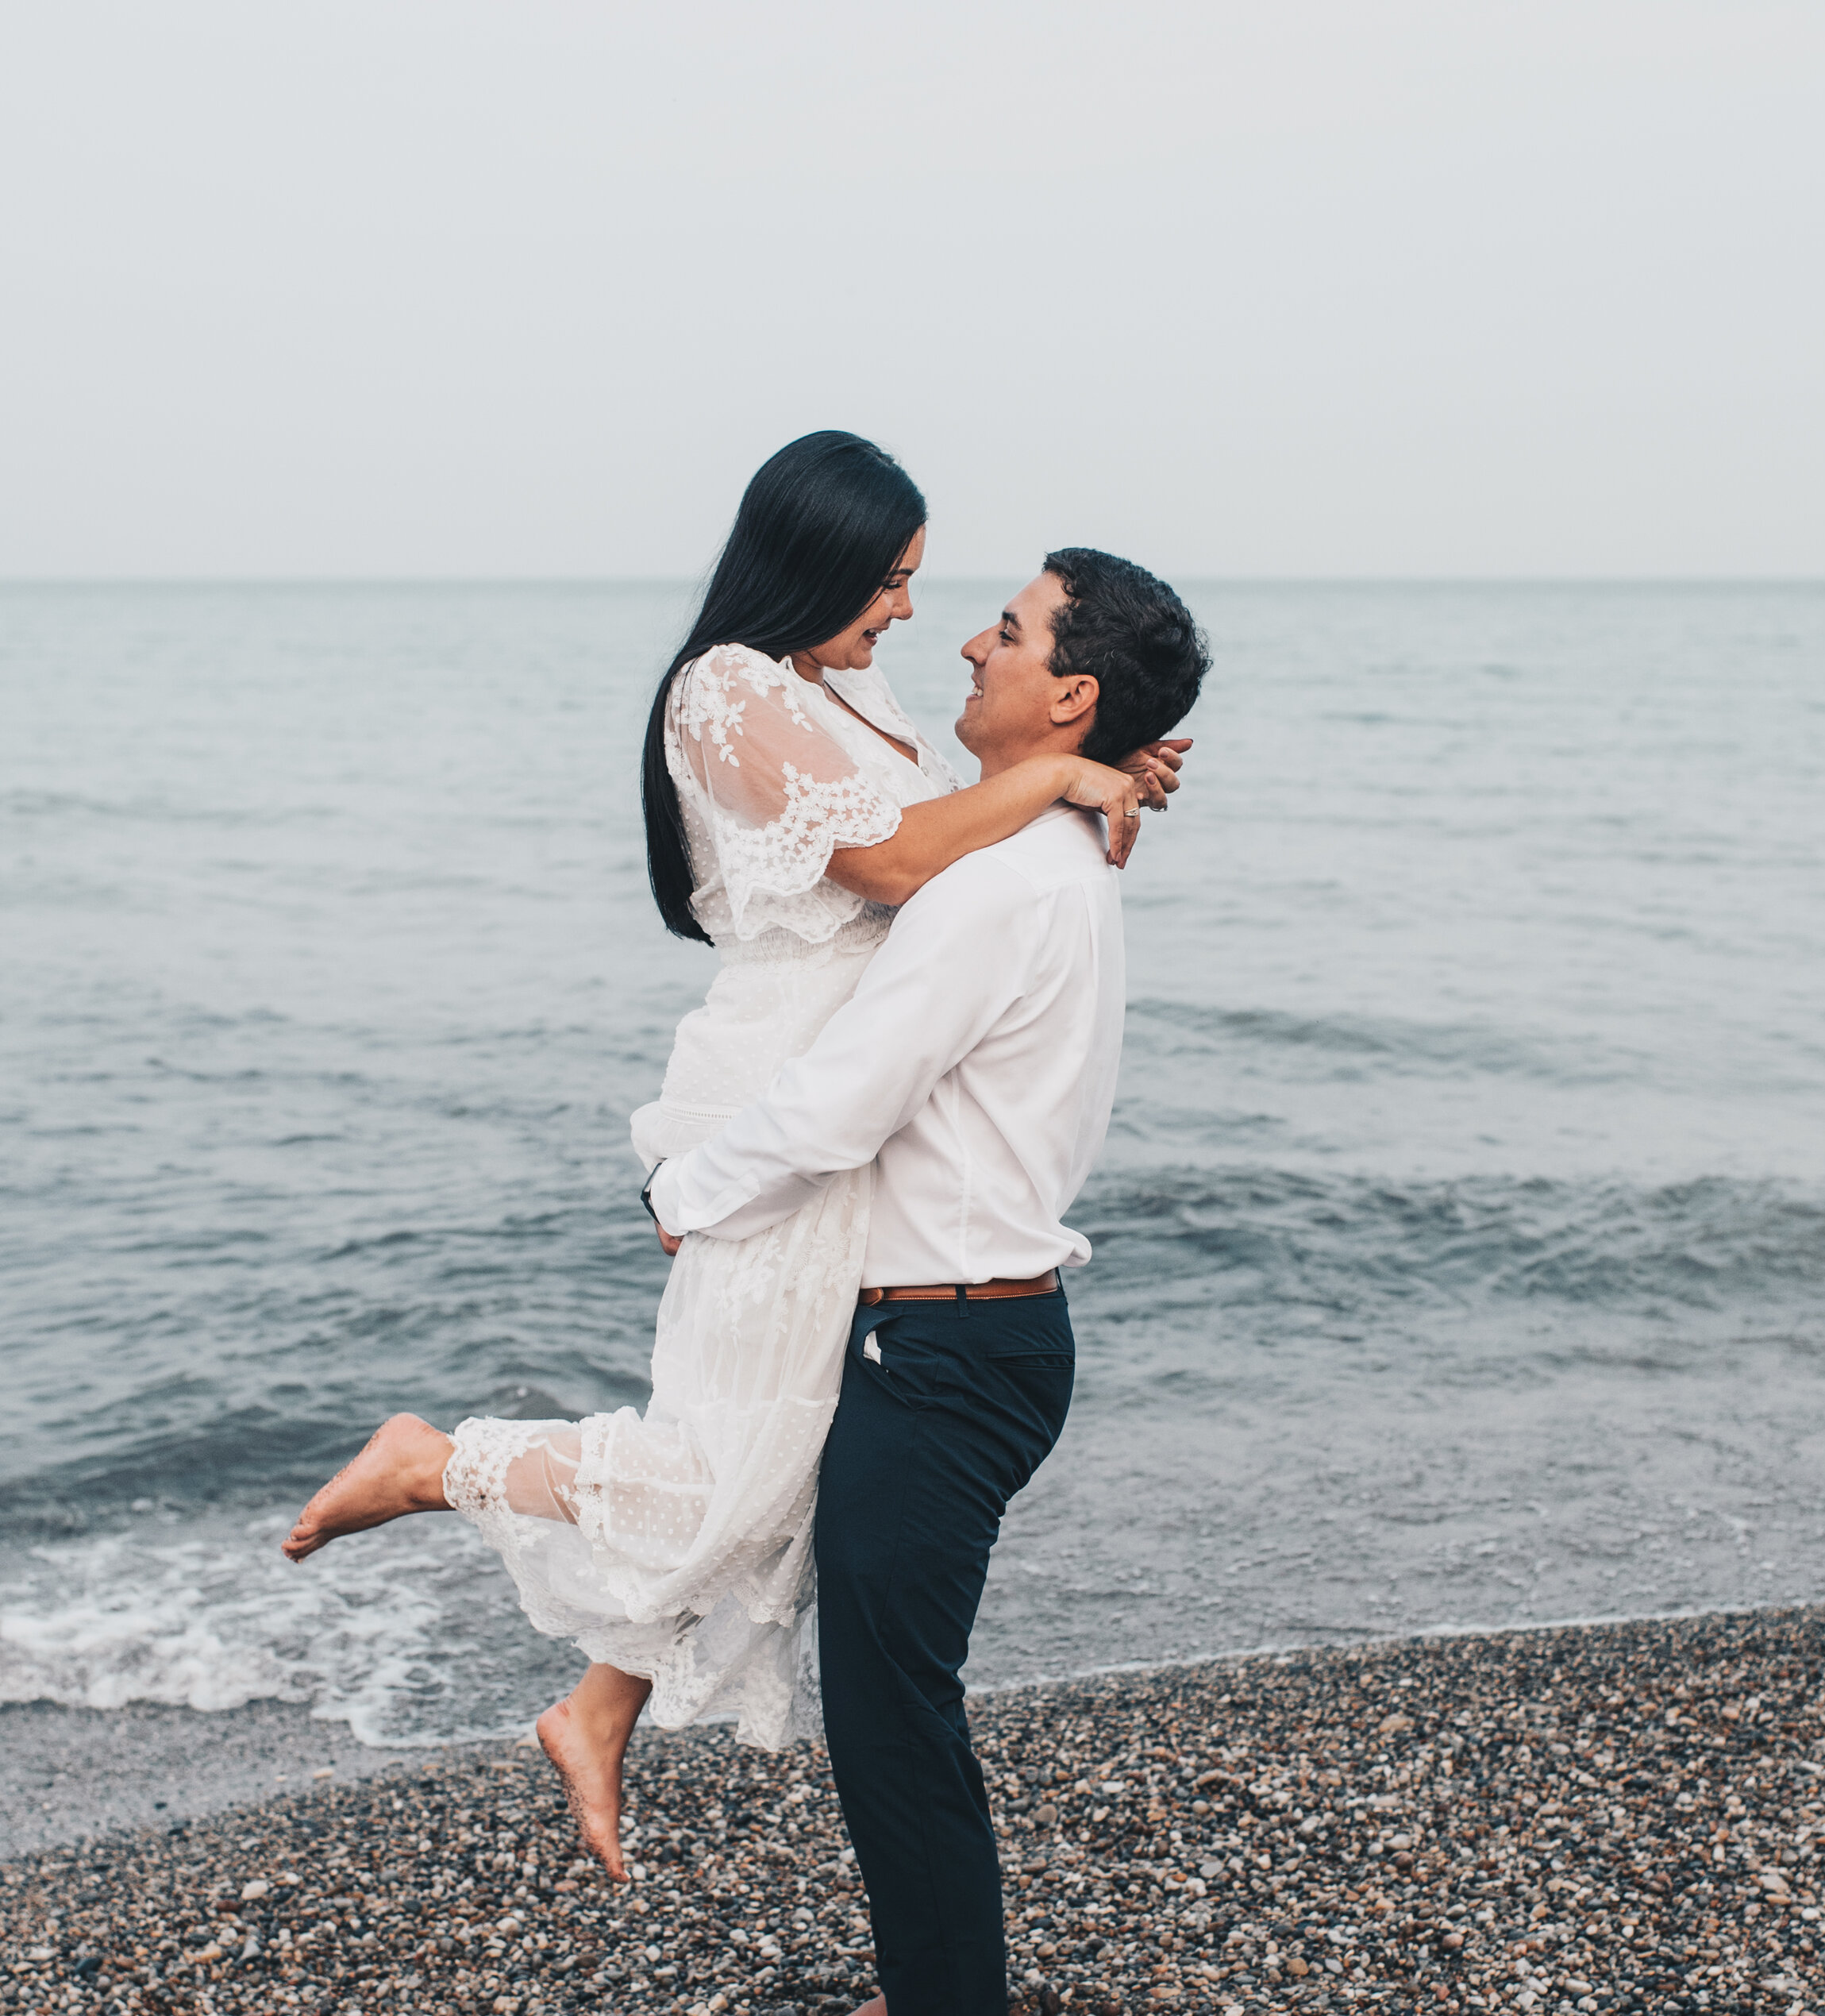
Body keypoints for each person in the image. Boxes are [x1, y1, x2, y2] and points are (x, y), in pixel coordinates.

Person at [283, 434, 1184, 1877]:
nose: (907, 612)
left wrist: (1094, 761)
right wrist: (1071, 772)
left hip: (850, 1118)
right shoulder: (728, 690)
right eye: (888, 580)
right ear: (816, 562)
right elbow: (893, 865)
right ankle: (432, 1465)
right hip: (780, 1101)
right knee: (731, 1466)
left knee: (775, 1462)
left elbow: (955, 812)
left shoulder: (840, 681)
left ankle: (596, 1704)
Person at [642, 545, 1211, 2016]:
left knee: (896, 1722)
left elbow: (841, 1100)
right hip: (957, 1330)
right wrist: (1098, 778)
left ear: (1072, 693)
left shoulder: (999, 883)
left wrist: (678, 1192)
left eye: (1011, 626)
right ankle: (921, 1993)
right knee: (895, 1710)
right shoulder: (1044, 841)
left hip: (944, 1344)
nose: (968, 633)